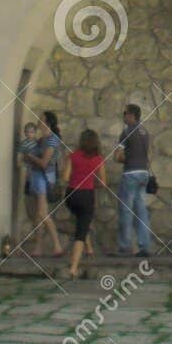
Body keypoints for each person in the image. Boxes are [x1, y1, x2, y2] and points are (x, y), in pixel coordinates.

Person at [62, 129, 108, 279]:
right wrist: (92, 183)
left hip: (71, 194)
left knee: (82, 221)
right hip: (87, 195)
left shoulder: (73, 156)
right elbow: (103, 182)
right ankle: (73, 268)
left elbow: (65, 177)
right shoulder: (98, 159)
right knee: (81, 231)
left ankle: (89, 249)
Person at [113, 102, 153, 256]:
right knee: (141, 211)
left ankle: (125, 246)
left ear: (131, 115)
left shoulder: (127, 131)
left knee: (126, 210)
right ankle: (144, 246)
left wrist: (122, 158)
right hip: (144, 173)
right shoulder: (145, 132)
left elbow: (118, 156)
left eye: (125, 113)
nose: (123, 116)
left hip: (130, 173)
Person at [17, 122, 62, 256]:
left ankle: (57, 245)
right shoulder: (37, 142)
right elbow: (21, 161)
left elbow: (43, 162)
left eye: (32, 131)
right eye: (28, 132)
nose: (30, 134)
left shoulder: (47, 141)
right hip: (35, 178)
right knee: (37, 215)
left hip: (41, 179)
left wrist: (30, 157)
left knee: (42, 213)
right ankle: (39, 247)